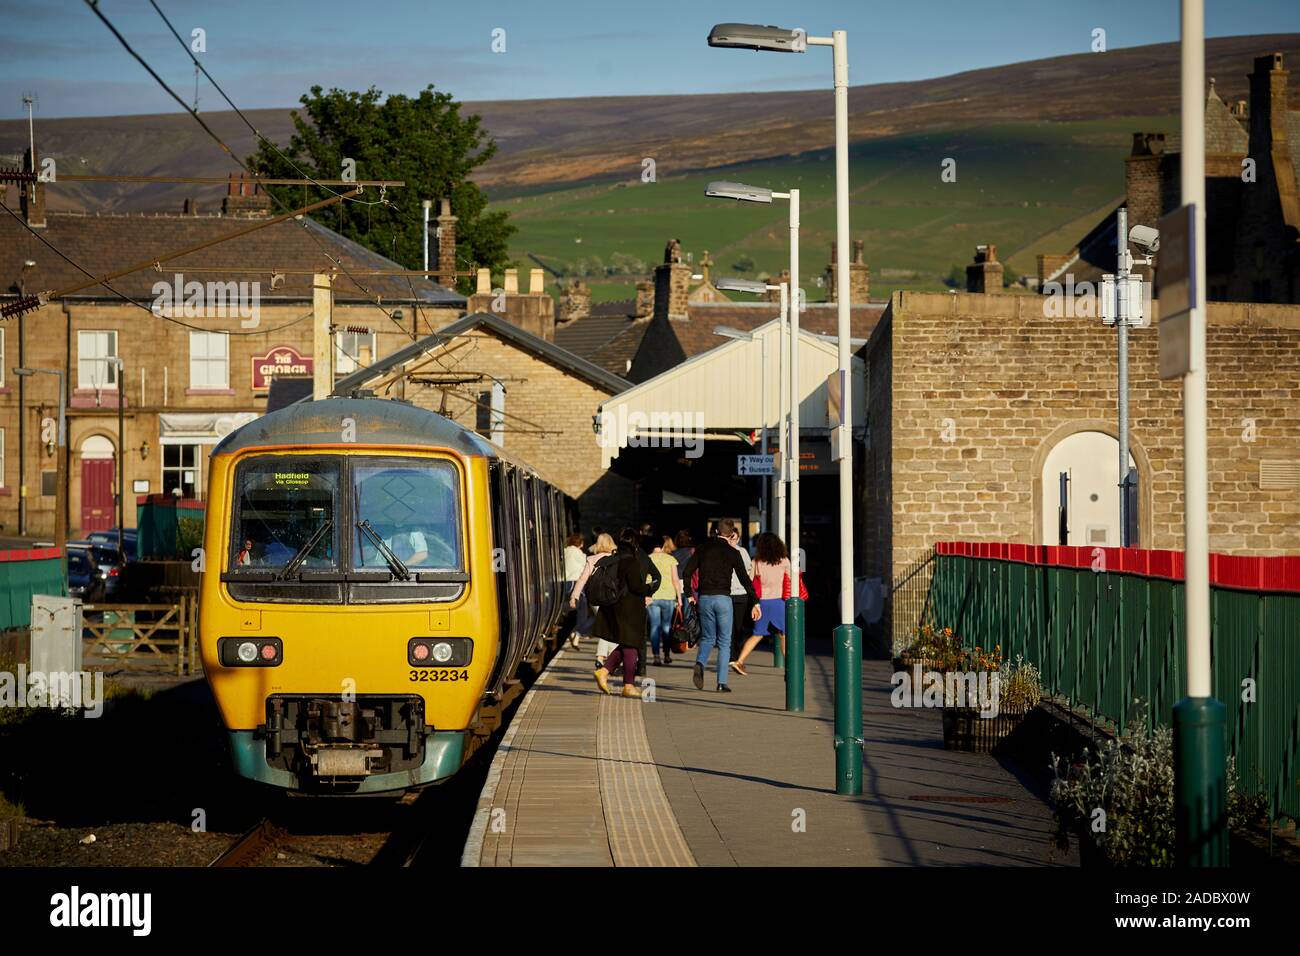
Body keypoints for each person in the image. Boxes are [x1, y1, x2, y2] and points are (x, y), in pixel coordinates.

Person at [682, 519, 759, 693]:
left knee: (708, 637)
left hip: (705, 598)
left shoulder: (702, 549)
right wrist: (755, 601)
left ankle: (700, 663)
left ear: (716, 532)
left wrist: (689, 595)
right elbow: (745, 580)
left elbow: (687, 572)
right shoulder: (733, 552)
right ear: (731, 534)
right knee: (725, 641)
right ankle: (721, 683)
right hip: (724, 598)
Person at [593, 527, 660, 698]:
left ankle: (604, 671)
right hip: (630, 609)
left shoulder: (614, 558)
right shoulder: (631, 561)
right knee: (632, 646)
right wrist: (649, 588)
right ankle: (628, 686)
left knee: (626, 644)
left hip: (615, 606)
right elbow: (637, 587)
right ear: (634, 544)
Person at [732, 532, 808, 676]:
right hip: (779, 601)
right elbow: (793, 579)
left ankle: (739, 661)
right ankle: (790, 669)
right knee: (784, 635)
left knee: (757, 634)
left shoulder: (757, 561)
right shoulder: (784, 560)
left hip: (762, 602)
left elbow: (749, 580)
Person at [569, 532, 617, 665]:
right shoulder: (616, 559)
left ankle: (601, 657)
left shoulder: (591, 559)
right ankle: (606, 658)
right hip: (611, 598)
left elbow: (582, 579)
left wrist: (574, 596)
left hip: (595, 599)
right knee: (611, 627)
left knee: (606, 626)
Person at [646, 534, 682, 666]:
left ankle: (656, 656)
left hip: (652, 596)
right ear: (662, 545)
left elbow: (644, 579)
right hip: (668, 597)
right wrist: (679, 598)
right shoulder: (670, 559)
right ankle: (666, 655)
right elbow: (675, 579)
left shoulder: (647, 558)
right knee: (666, 627)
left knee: (654, 626)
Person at [727, 526, 754, 661]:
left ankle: (737, 653)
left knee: (738, 626)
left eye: (735, 539)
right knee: (728, 626)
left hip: (741, 593)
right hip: (726, 593)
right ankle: (731, 655)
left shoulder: (742, 551)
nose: (732, 541)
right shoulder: (723, 551)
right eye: (730, 538)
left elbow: (749, 571)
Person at [563, 532, 588, 649]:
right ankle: (575, 632)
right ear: (581, 544)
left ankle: (574, 633)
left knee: (574, 606)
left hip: (565, 582)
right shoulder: (580, 554)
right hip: (575, 582)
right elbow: (585, 569)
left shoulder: (565, 551)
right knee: (583, 609)